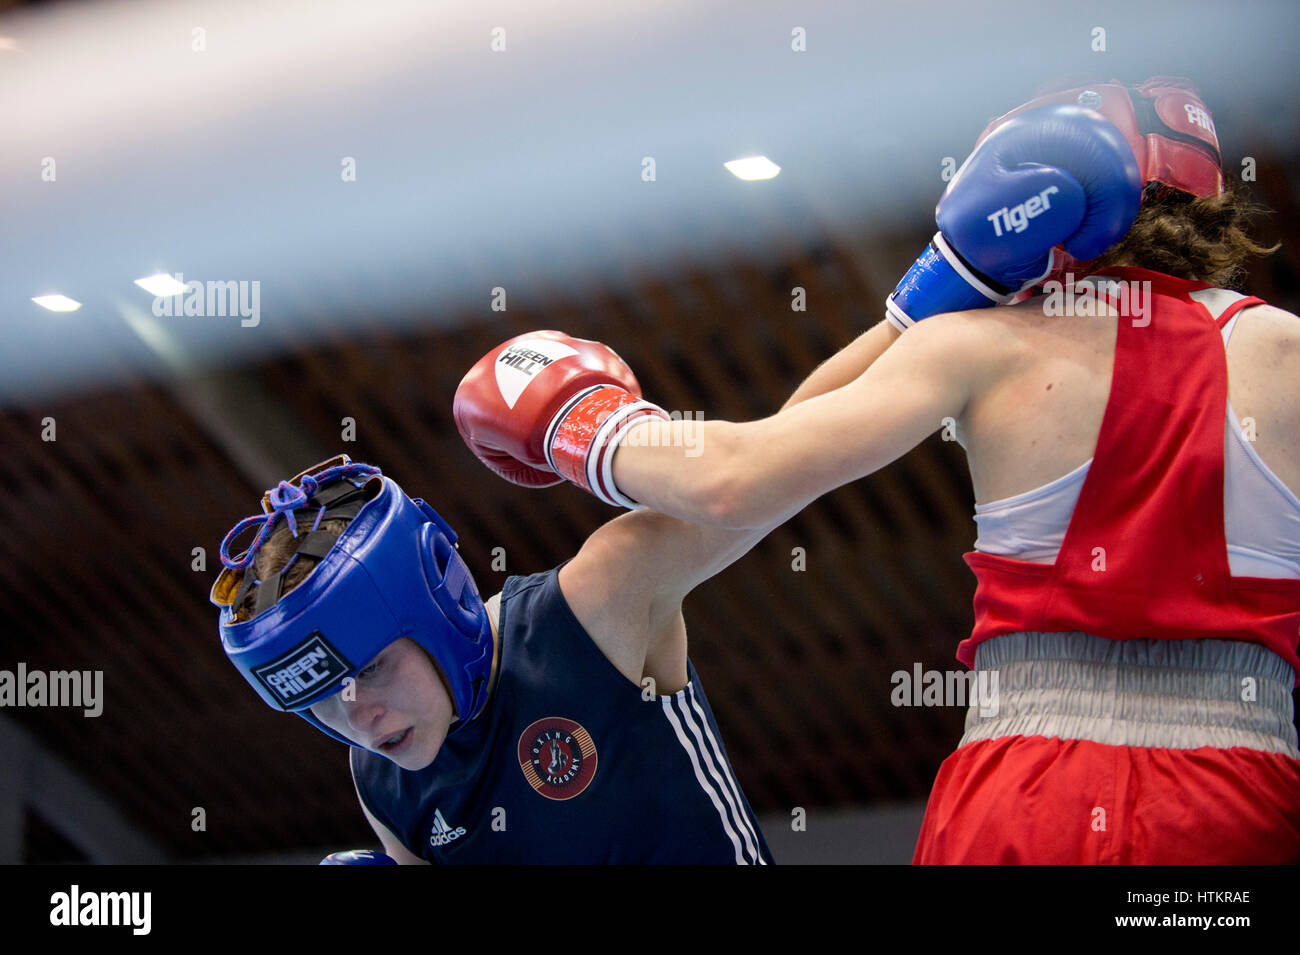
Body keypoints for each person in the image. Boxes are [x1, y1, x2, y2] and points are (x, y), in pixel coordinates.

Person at [456, 78, 1300, 864]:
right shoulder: (1289, 355)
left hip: (1026, 789)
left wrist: (573, 419)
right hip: (1243, 795)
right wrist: (943, 285)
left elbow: (741, 477)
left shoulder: (983, 345)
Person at [212, 318, 915, 865]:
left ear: (433, 608)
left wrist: (923, 304)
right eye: (321, 695)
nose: (358, 712)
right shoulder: (383, 785)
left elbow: (783, 460)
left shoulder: (590, 610)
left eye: (369, 666)